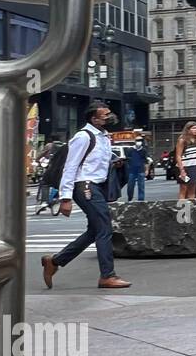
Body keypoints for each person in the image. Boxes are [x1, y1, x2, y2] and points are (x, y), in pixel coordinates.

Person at [40, 104, 131, 290]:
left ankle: (55, 261)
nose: (110, 117)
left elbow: (96, 162)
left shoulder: (103, 136)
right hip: (85, 186)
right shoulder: (83, 137)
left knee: (95, 231)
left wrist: (115, 162)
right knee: (104, 229)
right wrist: (65, 198)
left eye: (109, 113)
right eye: (105, 115)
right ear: (94, 119)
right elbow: (70, 167)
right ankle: (107, 276)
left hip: (95, 186)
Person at [33, 137, 64, 216]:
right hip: (62, 171)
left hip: (51, 170)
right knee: (59, 184)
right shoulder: (66, 147)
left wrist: (36, 160)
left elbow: (41, 155)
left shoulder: (49, 146)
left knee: (45, 184)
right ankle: (56, 198)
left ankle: (44, 201)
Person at [175, 122, 196, 200]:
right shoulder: (182, 140)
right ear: (188, 129)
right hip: (185, 166)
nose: (195, 130)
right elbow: (178, 155)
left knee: (192, 189)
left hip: (194, 166)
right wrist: (182, 170)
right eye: (193, 128)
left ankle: (190, 209)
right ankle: (181, 210)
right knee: (183, 189)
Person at [124, 135, 148, 201]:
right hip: (132, 171)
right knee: (130, 186)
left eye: (140, 140)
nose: (139, 142)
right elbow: (126, 160)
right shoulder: (130, 150)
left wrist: (146, 170)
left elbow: (145, 160)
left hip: (140, 170)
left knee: (141, 186)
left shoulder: (143, 150)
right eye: (137, 140)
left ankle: (141, 200)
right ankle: (130, 198)